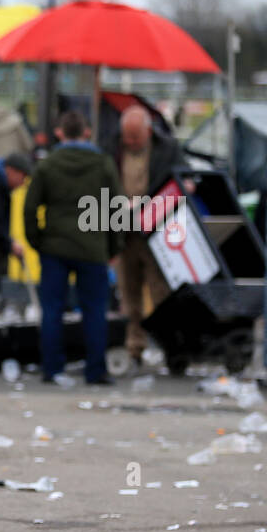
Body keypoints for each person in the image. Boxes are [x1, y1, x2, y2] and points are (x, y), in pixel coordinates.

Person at [23, 110, 124, 386]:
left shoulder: (47, 165)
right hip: (93, 248)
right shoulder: (103, 164)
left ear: (59, 133)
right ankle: (96, 371)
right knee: (94, 311)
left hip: (55, 248)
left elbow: (30, 208)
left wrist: (38, 241)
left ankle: (52, 369)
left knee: (52, 310)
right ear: (87, 132)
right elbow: (115, 206)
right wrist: (114, 246)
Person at [105, 104, 185, 367]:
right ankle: (134, 347)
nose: (130, 142)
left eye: (135, 137)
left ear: (148, 132)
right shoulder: (112, 148)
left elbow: (181, 179)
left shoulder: (168, 149)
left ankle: (168, 347)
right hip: (124, 231)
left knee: (160, 291)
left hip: (156, 231)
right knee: (129, 294)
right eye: (127, 137)